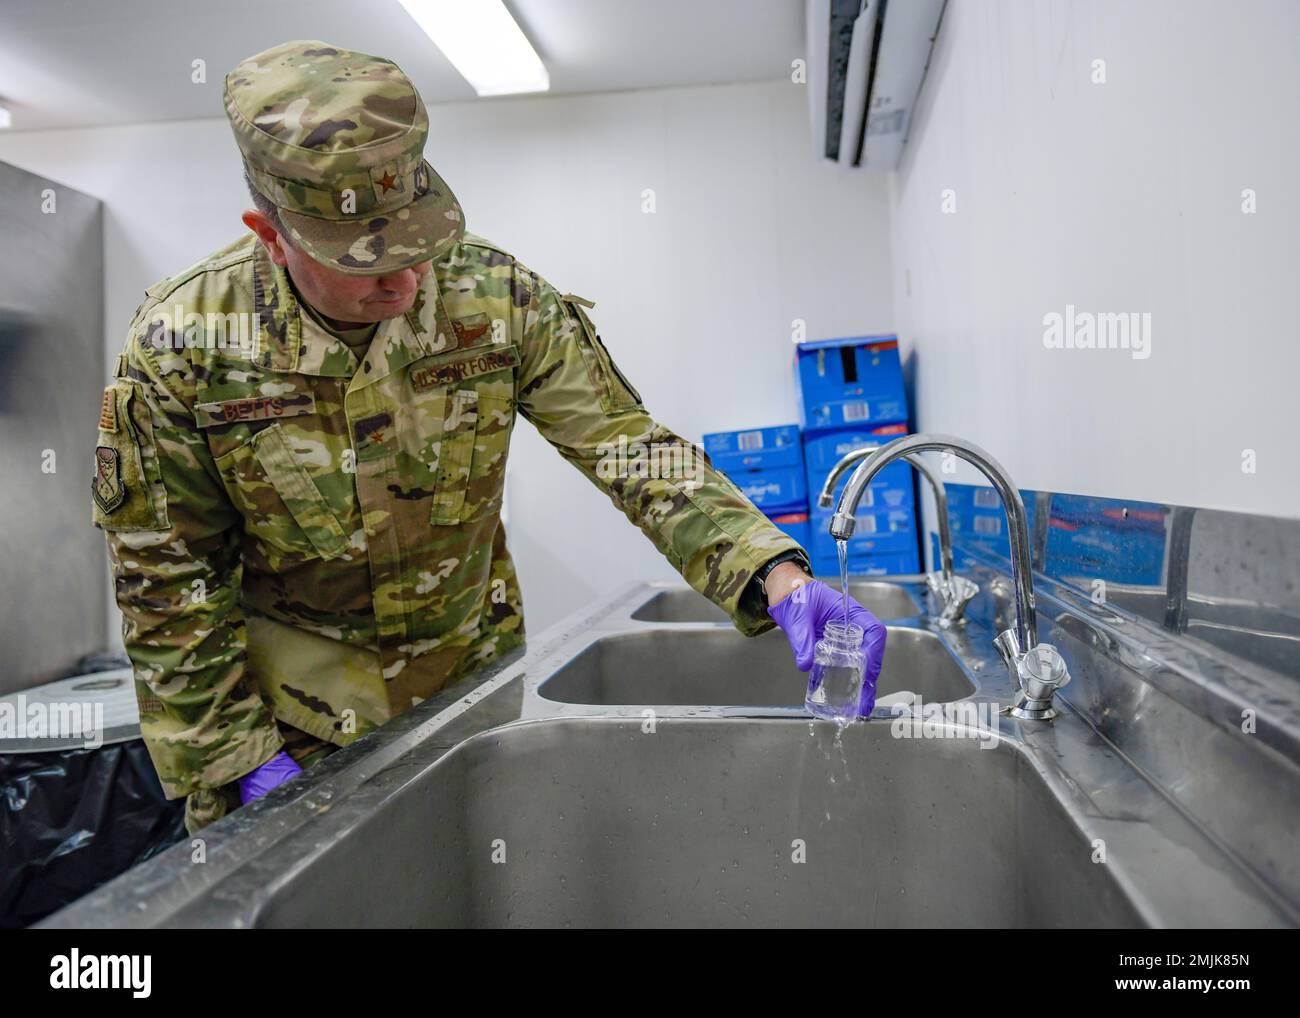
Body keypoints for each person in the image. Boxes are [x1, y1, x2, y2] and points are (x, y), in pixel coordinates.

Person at [91, 39, 886, 834]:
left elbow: (624, 443)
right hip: (293, 731)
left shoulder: (497, 300)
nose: (403, 282)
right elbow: (168, 584)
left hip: (471, 696)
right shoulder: (184, 348)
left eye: (415, 240)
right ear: (269, 234)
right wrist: (241, 764)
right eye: (364, 258)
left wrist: (775, 572)